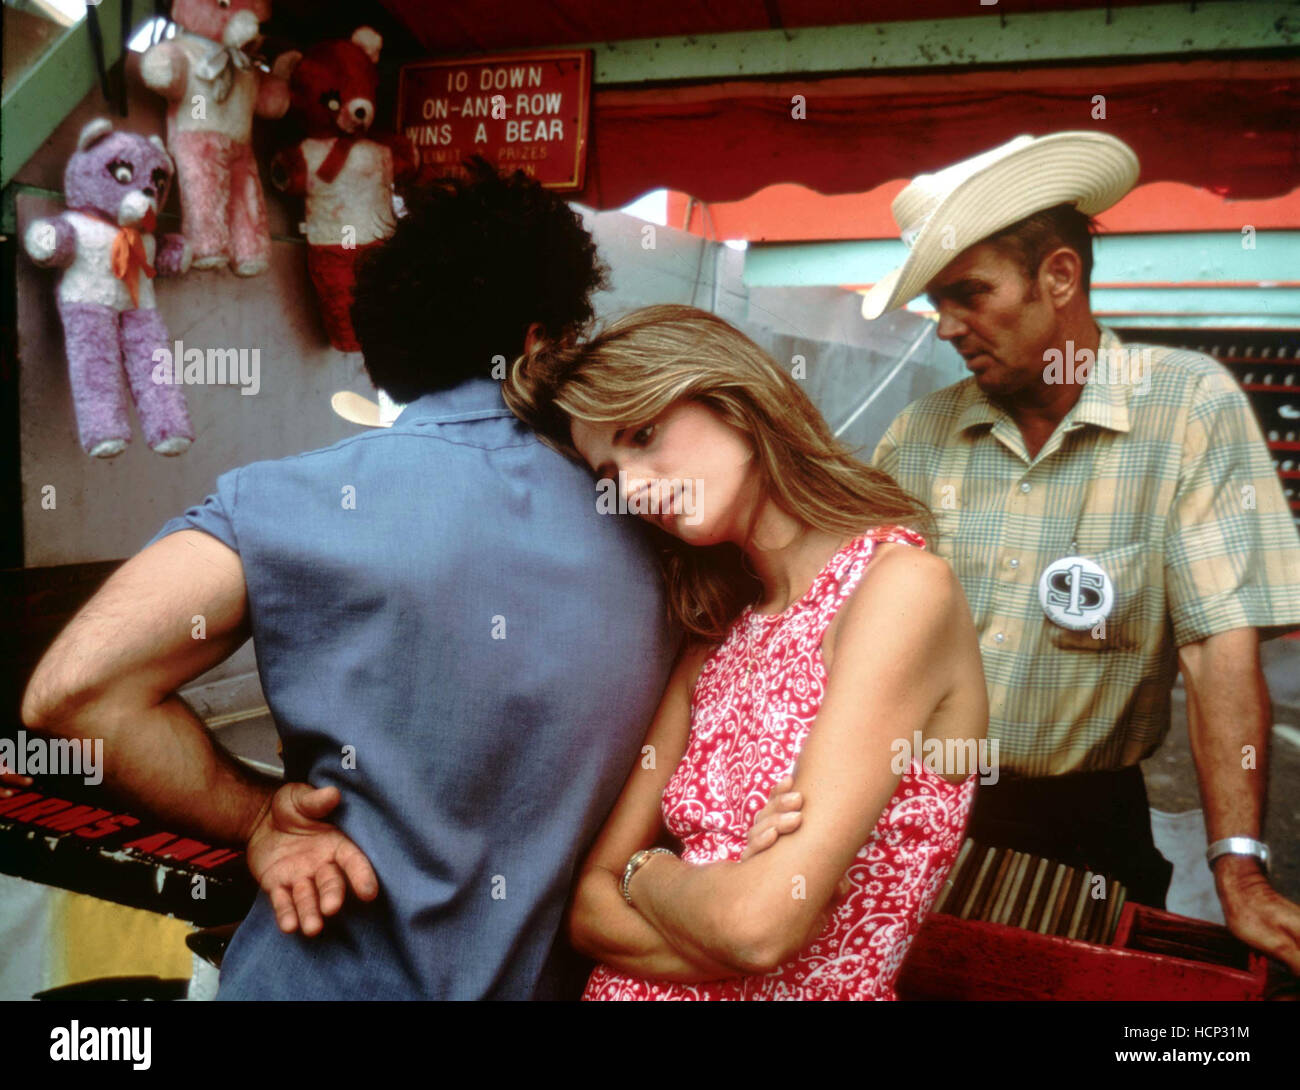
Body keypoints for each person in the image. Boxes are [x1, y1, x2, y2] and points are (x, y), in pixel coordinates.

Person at [19, 159, 680, 999]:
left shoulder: (288, 501)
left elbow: (73, 693)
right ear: (540, 339)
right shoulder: (662, 532)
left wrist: (259, 815)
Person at [864, 131, 1300, 973]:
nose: (946, 325)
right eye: (937, 302)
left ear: (1059, 276)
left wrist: (1240, 871)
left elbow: (1217, 650)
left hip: (1086, 824)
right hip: (914, 807)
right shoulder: (920, 434)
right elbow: (846, 621)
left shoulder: (1186, 408)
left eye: (968, 293)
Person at [501, 304, 988, 1000]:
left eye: (644, 434)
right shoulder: (715, 644)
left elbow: (759, 927)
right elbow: (586, 909)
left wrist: (649, 874)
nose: (632, 488)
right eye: (609, 473)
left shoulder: (900, 590)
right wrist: (698, 893)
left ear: (733, 398)